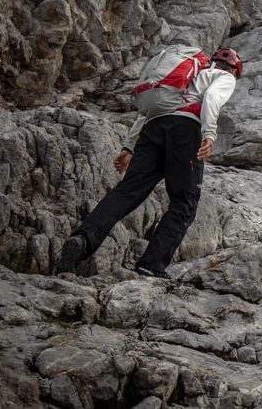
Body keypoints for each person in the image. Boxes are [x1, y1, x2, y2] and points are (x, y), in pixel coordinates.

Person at [55, 46, 243, 278]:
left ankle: (83, 239)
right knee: (183, 204)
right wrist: (209, 133)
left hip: (153, 128)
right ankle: (151, 265)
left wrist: (128, 146)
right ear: (234, 70)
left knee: (127, 192)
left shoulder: (189, 75)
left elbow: (147, 113)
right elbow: (212, 98)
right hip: (185, 132)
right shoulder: (223, 76)